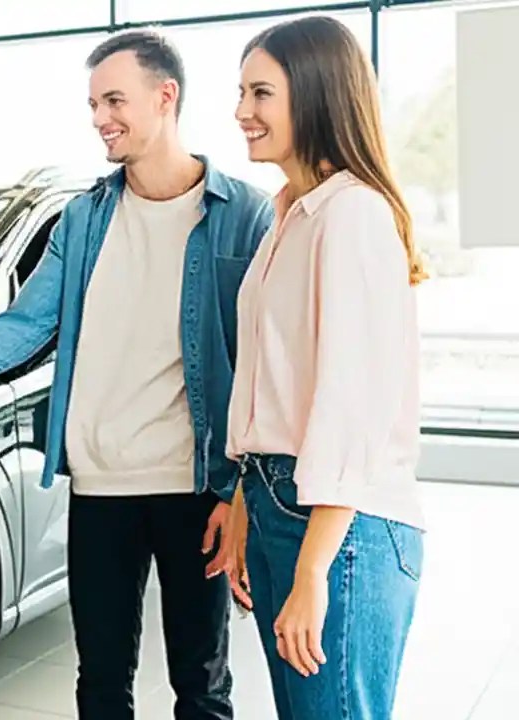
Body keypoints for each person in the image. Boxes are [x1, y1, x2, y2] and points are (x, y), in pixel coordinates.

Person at [0, 29, 274, 720]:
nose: (100, 118)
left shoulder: (245, 216)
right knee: (101, 680)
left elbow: (267, 363)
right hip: (101, 488)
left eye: (114, 100)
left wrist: (243, 490)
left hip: (197, 489)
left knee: (202, 682)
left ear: (166, 97)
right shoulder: (84, 218)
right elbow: (25, 324)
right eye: (93, 103)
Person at [216, 15, 428, 720]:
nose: (242, 112)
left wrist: (313, 568)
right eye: (241, 92)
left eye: (260, 93)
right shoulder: (289, 215)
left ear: (315, 94)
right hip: (284, 501)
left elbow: (350, 405)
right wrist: (249, 499)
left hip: (345, 526)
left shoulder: (352, 216)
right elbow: (274, 380)